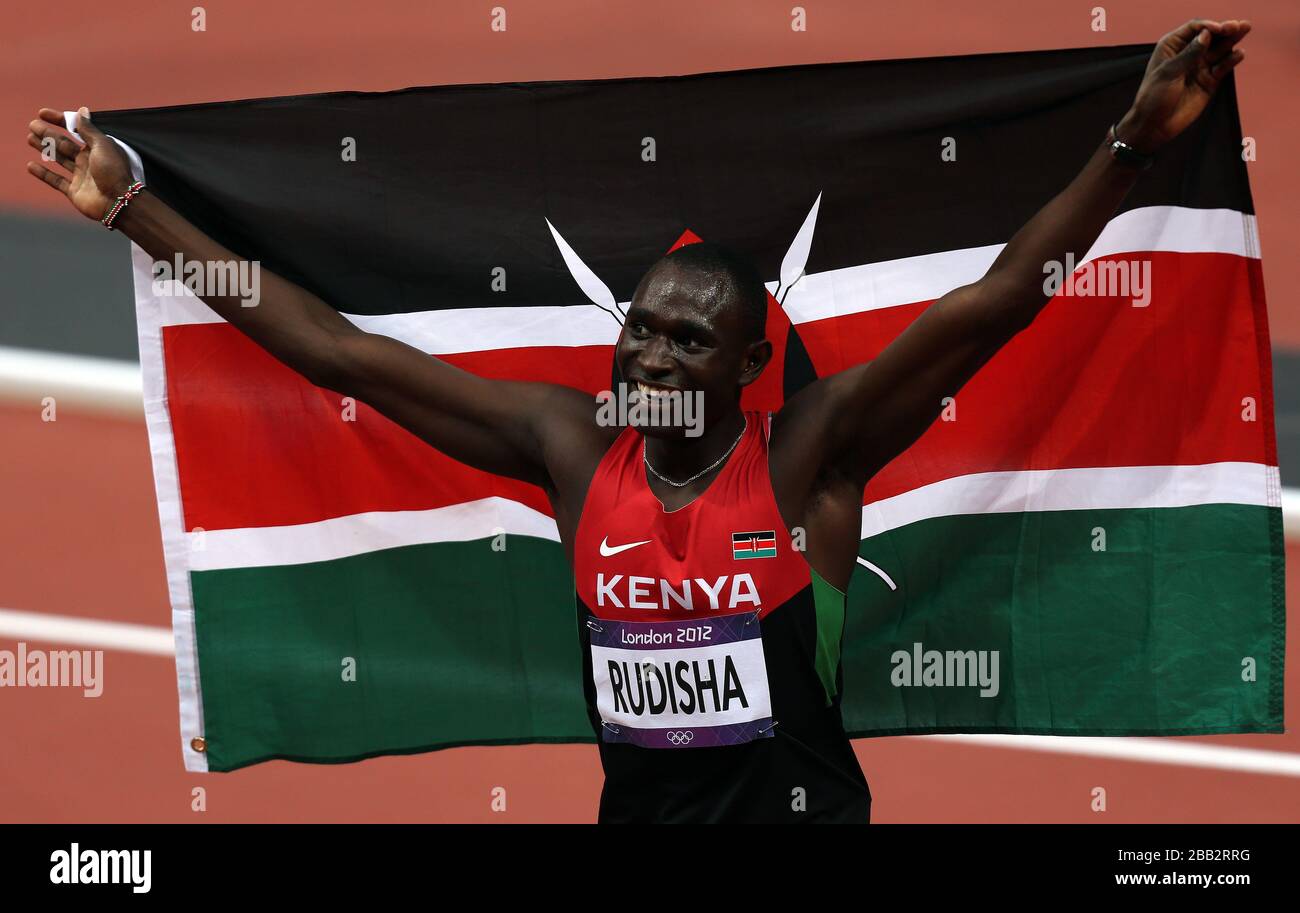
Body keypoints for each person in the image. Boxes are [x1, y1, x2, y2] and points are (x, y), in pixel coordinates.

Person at [26, 18, 1249, 823]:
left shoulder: (810, 457)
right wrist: (127, 203)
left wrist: (1133, 142)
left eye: (688, 338)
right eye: (643, 327)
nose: (653, 350)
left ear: (749, 363)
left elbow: (993, 302)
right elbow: (336, 348)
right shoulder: (569, 447)